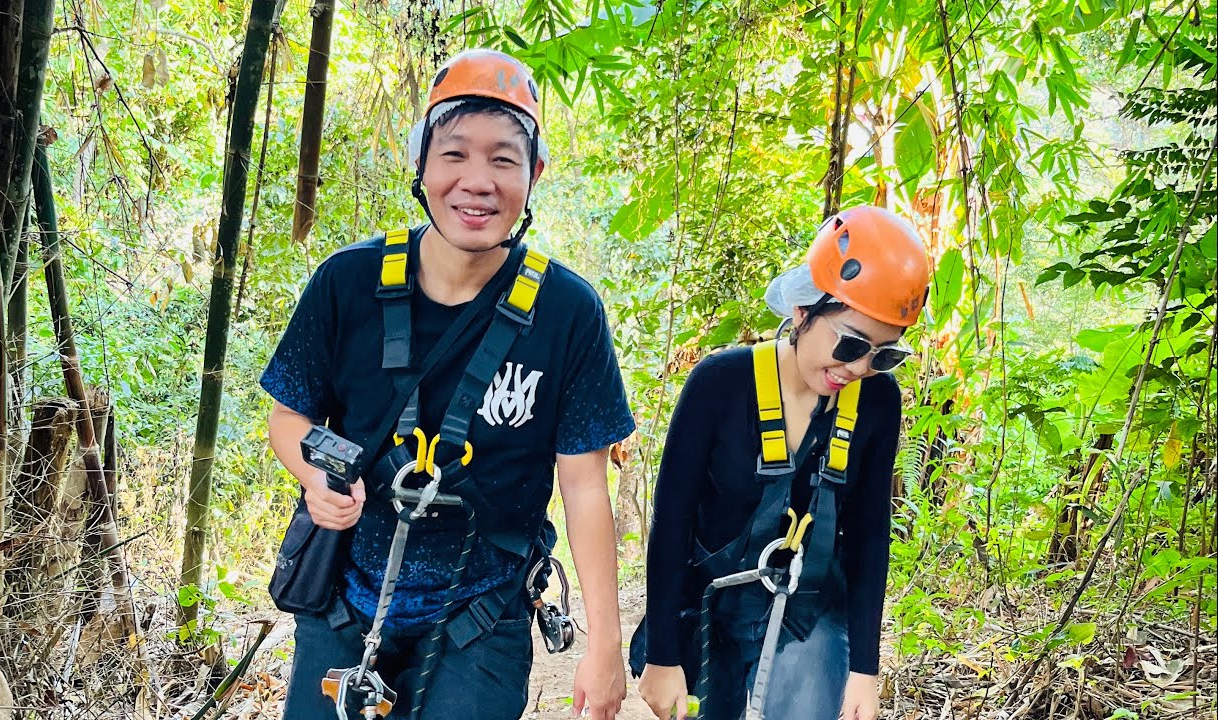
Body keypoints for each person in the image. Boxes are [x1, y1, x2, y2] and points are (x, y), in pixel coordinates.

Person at [261, 49, 633, 720]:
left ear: (535, 174)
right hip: (346, 593)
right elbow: (289, 418)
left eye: (503, 159)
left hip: (480, 611)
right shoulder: (348, 283)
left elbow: (583, 487)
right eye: (455, 154)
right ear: (422, 166)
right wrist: (315, 478)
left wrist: (605, 643)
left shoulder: (568, 313)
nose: (477, 181)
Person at [633, 206, 930, 720]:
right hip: (710, 610)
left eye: (883, 355)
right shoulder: (718, 385)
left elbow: (868, 537)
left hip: (808, 611)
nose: (859, 368)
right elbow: (673, 521)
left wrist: (865, 669)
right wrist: (663, 655)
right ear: (802, 311)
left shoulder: (877, 402)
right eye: (852, 342)